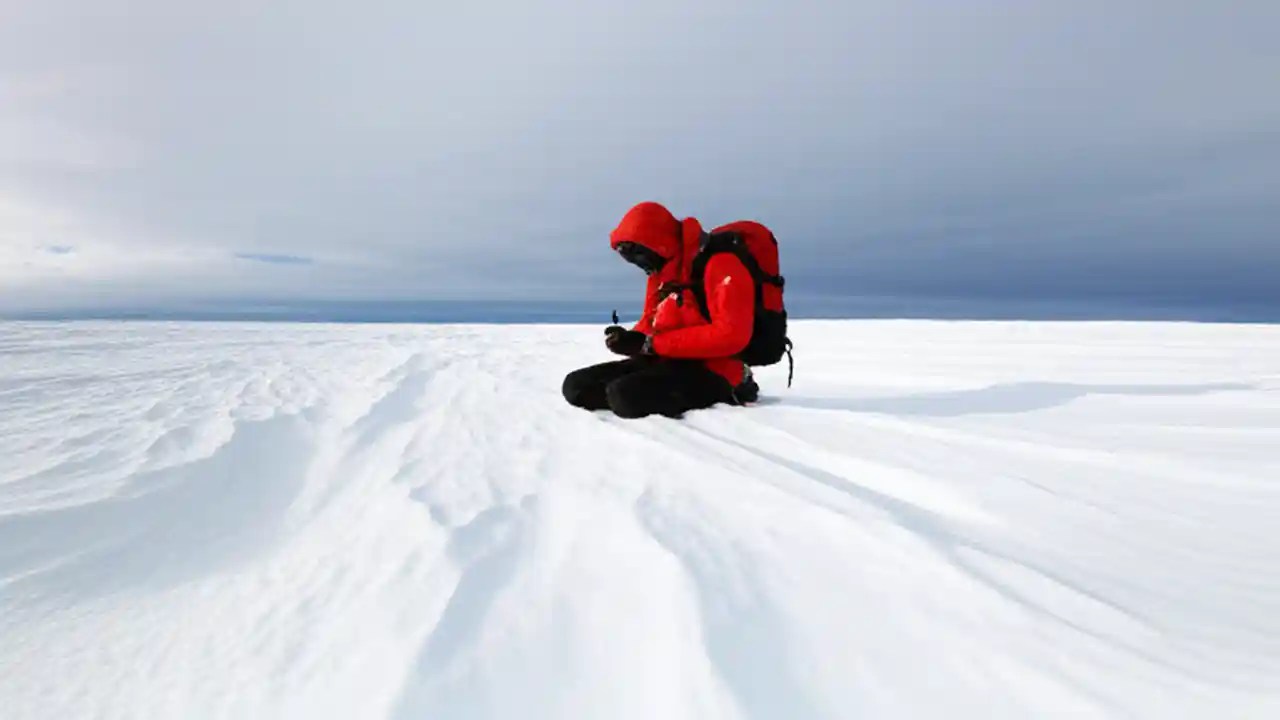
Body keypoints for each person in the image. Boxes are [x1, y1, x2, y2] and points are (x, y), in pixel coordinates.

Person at [562, 201, 761, 419]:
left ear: (658, 244)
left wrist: (651, 344)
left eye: (639, 255)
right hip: (667, 361)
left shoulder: (721, 264)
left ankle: (739, 384)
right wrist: (631, 339)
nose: (639, 264)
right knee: (576, 387)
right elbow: (651, 321)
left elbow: (732, 335)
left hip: (715, 369)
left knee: (624, 396)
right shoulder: (660, 276)